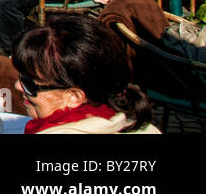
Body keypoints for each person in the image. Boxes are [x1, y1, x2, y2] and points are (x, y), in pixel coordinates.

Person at [11, 14, 158, 134]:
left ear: (73, 96)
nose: (18, 86)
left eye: (29, 83)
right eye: (22, 76)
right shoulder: (147, 129)